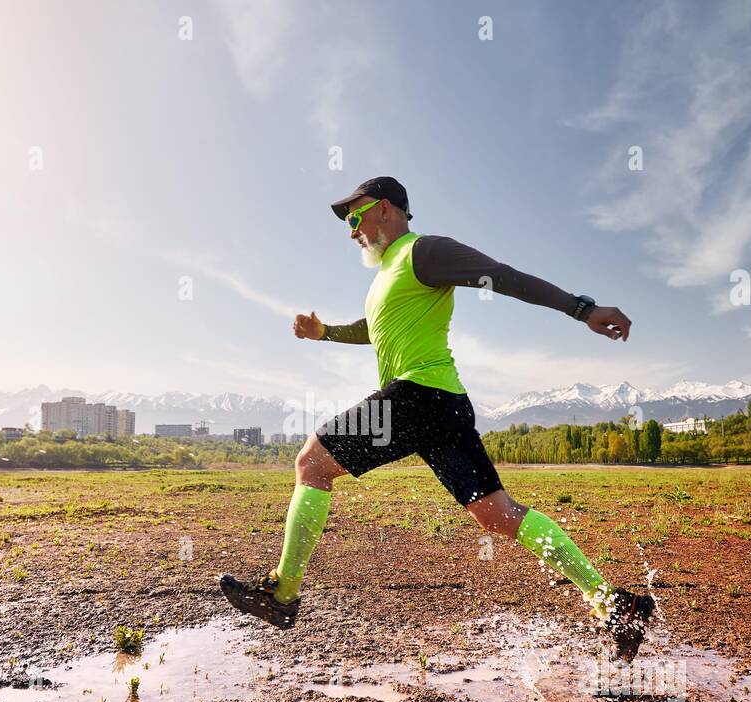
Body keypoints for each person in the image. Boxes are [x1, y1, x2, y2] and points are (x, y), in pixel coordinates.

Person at [219, 177, 654, 662]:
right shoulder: (387, 274)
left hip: (419, 396)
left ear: (385, 209)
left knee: (312, 463)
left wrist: (582, 309)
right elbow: (374, 330)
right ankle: (613, 602)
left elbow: (501, 275)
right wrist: (326, 334)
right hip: (442, 405)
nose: (350, 231)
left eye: (354, 217)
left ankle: (282, 595)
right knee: (497, 514)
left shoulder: (422, 251)